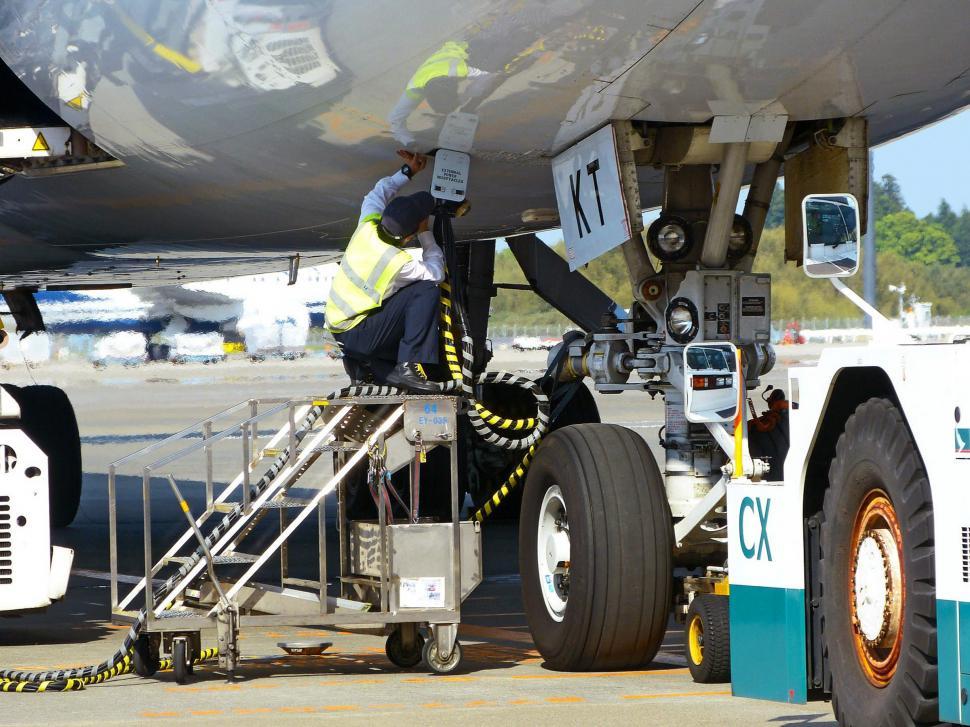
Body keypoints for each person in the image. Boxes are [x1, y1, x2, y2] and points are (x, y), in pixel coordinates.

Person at [325, 150, 445, 393]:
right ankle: (408, 366)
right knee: (425, 291)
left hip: (341, 329)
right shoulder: (397, 262)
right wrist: (426, 234)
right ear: (409, 236)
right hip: (359, 332)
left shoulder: (367, 226)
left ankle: (364, 365)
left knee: (403, 307)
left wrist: (407, 171)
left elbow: (378, 192)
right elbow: (436, 273)